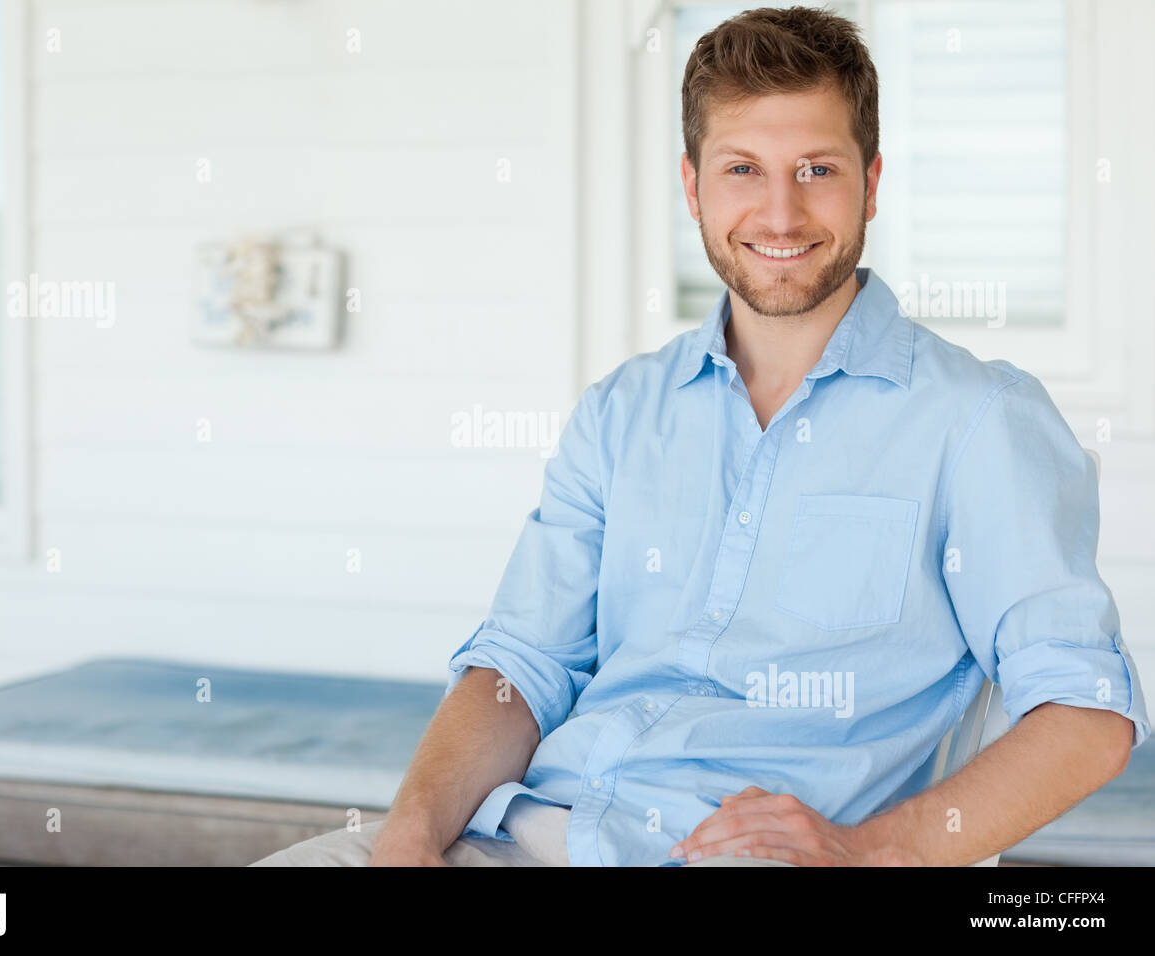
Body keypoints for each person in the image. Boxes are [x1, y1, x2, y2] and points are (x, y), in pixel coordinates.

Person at [252, 5, 1148, 868]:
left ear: (872, 184)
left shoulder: (979, 420)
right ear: (692, 186)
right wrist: (409, 837)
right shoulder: (621, 413)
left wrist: (876, 850)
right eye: (743, 169)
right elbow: (519, 666)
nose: (781, 215)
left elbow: (1088, 711)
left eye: (817, 169)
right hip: (522, 833)